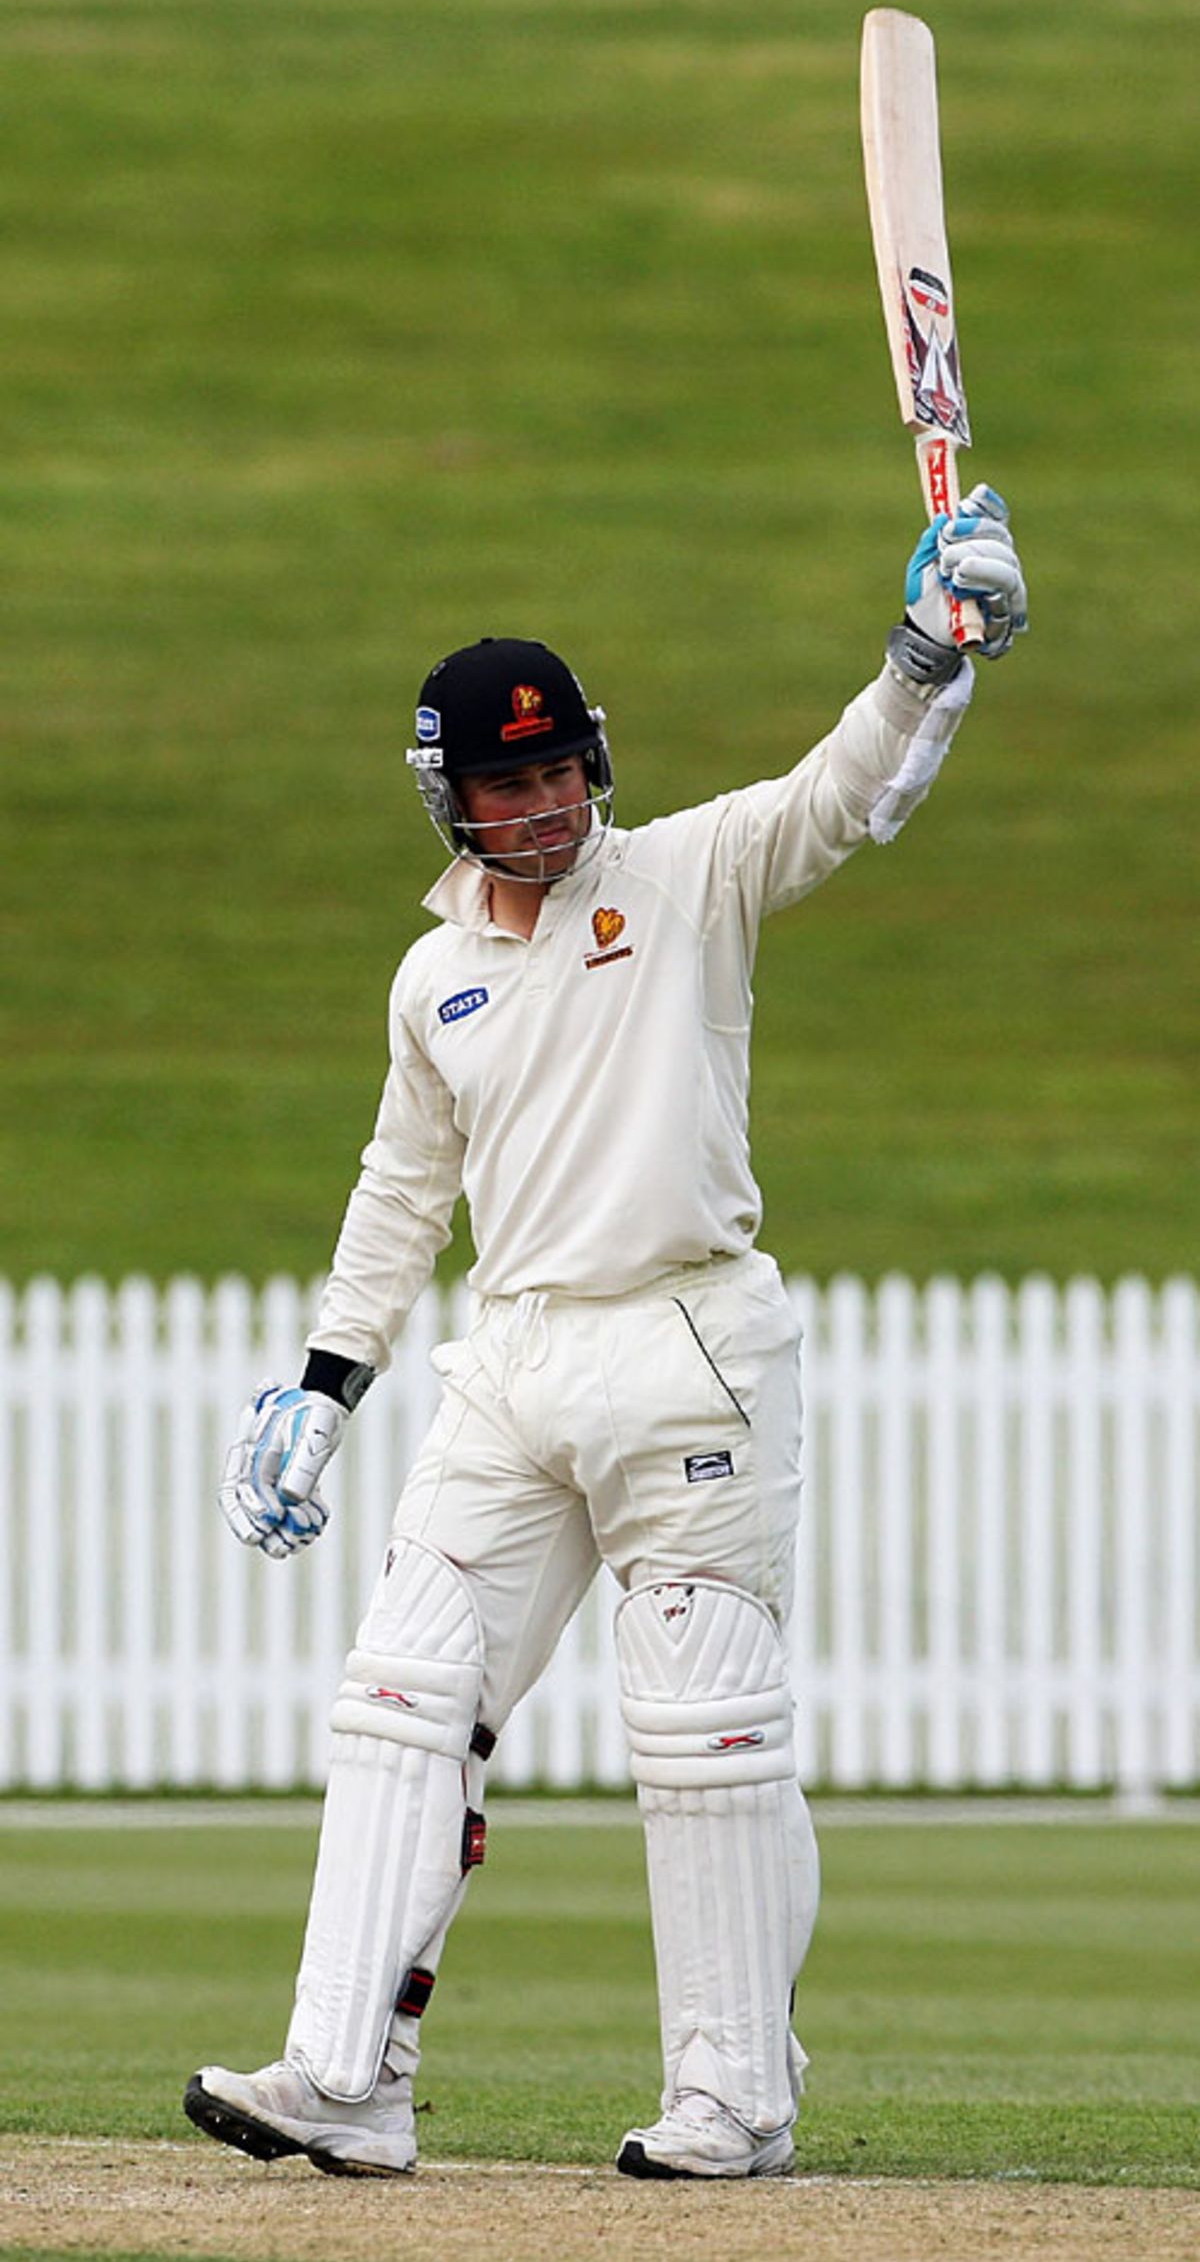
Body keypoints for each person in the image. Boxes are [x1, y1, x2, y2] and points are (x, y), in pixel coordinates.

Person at [184, 492, 1027, 2180]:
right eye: (509, 780)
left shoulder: (693, 873)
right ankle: (347, 2074)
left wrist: (933, 654)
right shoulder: (434, 982)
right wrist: (323, 1385)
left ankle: (735, 2095)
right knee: (401, 1695)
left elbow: (842, 798)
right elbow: (399, 1194)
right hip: (511, 1367)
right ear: (455, 799)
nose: (548, 800)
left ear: (596, 761)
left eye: (562, 765)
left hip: (691, 1342)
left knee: (704, 1734)